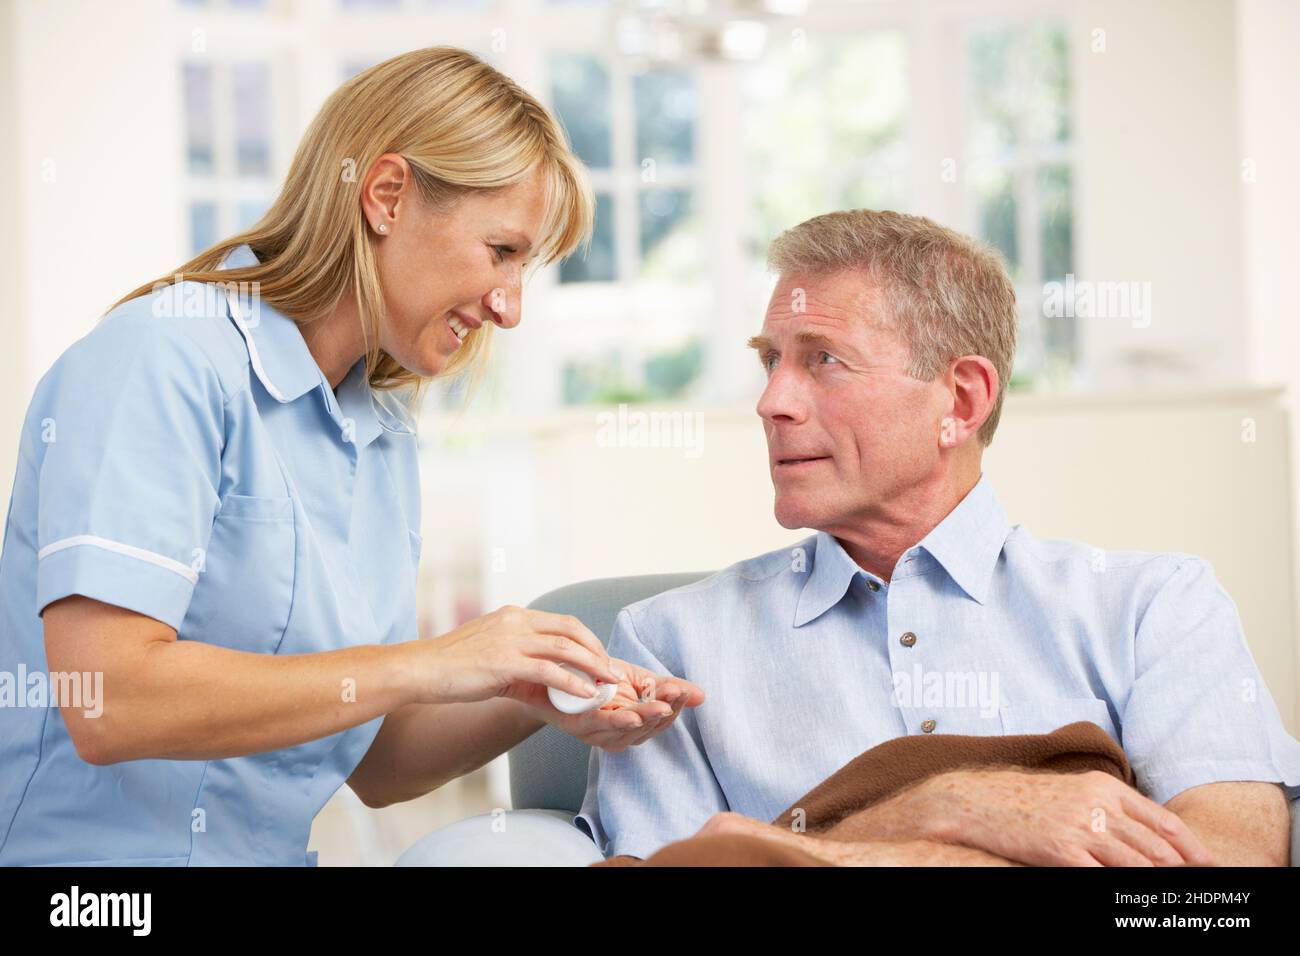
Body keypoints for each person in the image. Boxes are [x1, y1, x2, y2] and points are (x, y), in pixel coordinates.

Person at [0, 46, 702, 867]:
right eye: (502, 251)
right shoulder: (164, 360)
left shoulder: (377, 426)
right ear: (387, 196)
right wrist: (429, 660)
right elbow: (110, 701)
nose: (511, 308)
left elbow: (377, 759)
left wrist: (534, 697)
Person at [576, 208, 1300, 866]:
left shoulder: (1156, 607)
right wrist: (940, 810)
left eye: (822, 359)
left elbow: (1229, 878)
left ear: (960, 401)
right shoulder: (664, 647)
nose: (772, 402)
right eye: (771, 360)